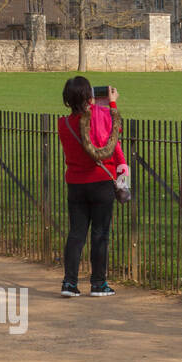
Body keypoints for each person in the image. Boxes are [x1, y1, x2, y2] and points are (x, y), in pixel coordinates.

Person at [57, 76, 124, 298]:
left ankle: (69, 282)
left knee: (76, 234)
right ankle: (98, 283)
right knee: (100, 233)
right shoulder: (101, 115)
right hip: (100, 181)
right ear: (89, 96)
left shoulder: (63, 124)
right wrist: (112, 102)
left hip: (75, 183)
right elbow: (115, 132)